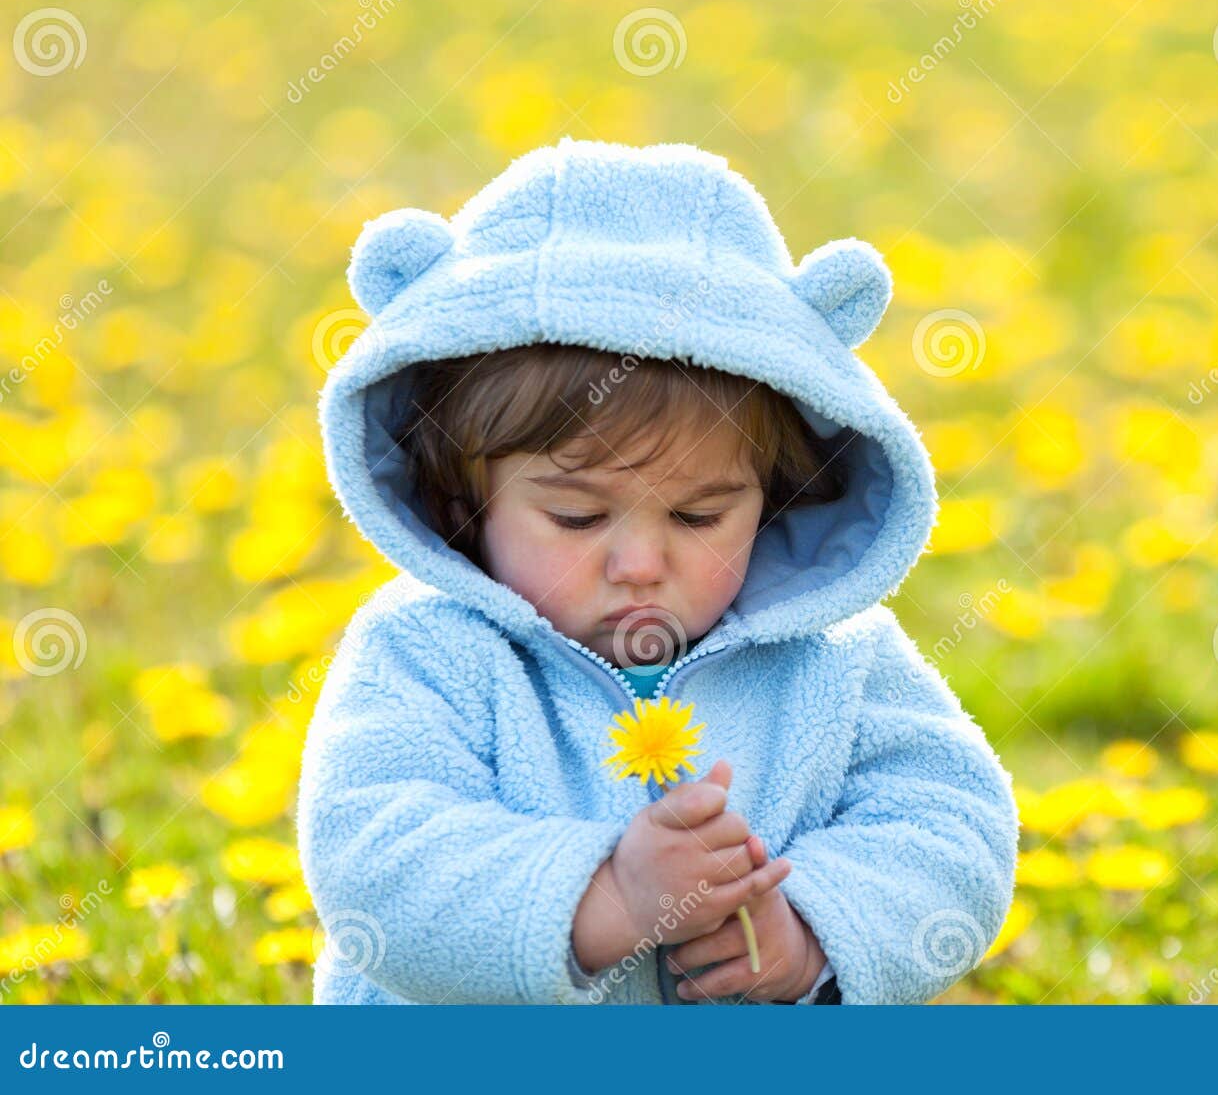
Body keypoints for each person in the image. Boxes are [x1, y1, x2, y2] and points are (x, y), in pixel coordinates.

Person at [297, 136, 1019, 1004]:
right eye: (576, 516)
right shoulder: (424, 649)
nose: (640, 564)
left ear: (775, 496)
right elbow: (374, 857)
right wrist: (604, 898)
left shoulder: (837, 656)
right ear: (462, 493)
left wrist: (812, 930)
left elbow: (951, 824)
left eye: (698, 516)